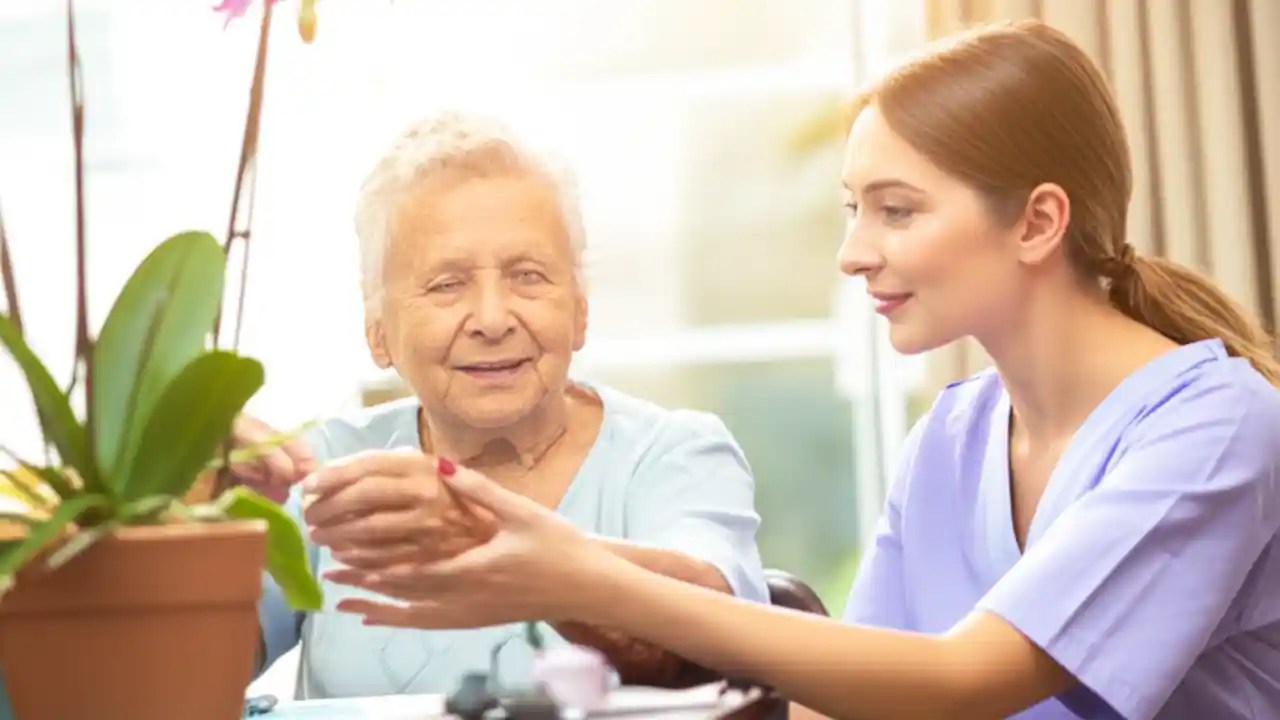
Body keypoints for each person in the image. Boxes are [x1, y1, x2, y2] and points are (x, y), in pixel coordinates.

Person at [307, 20, 1280, 720]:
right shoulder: (951, 436)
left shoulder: (1210, 428)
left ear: (1034, 222)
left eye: (894, 210)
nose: (852, 252)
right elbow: (844, 702)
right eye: (850, 209)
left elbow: (963, 684)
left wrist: (580, 577)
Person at [238, 110, 769, 699]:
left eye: (528, 275)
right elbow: (170, 669)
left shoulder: (674, 455)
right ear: (377, 331)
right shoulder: (328, 470)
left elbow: (719, 638)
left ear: (580, 311)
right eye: (446, 284)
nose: (492, 319)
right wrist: (179, 504)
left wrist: (494, 544)